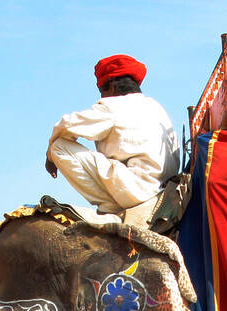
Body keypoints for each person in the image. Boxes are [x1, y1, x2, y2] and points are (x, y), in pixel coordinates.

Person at [46, 54, 180, 226]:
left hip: (137, 192)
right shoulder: (156, 107)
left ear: (112, 86)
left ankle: (110, 208)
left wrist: (50, 156)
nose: (102, 97)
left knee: (59, 146)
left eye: (102, 91)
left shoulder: (114, 106)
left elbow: (66, 125)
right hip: (165, 191)